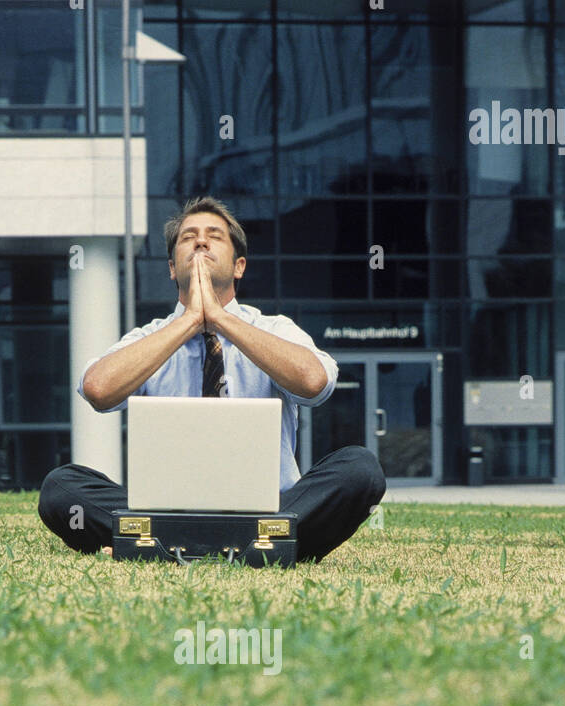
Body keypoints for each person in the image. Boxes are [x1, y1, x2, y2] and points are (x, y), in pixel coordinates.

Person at [38, 195, 386, 561]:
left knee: (360, 469)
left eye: (213, 235)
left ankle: (164, 548)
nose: (201, 241)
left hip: (271, 511)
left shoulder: (274, 329)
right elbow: (98, 390)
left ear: (239, 266)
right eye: (189, 237)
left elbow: (314, 382)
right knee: (61, 487)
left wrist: (220, 319)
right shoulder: (148, 338)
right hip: (164, 511)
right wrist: (189, 321)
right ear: (173, 268)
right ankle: (252, 550)